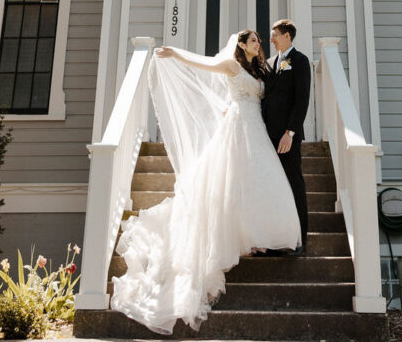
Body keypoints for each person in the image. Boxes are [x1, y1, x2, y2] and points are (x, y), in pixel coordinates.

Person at [110, 29, 300, 335]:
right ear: (241, 44)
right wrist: (175, 54)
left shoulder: (259, 69)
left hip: (256, 130)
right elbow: (202, 65)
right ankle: (233, 235)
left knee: (257, 180)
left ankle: (256, 235)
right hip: (238, 127)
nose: (259, 44)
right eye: (253, 41)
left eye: (259, 42)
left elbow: (268, 93)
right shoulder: (232, 66)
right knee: (232, 181)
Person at [262, 18, 311, 252]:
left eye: (275, 35)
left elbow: (302, 100)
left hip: (286, 136)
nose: (271, 39)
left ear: (287, 36)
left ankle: (300, 238)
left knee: (294, 183)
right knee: (272, 187)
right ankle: (276, 239)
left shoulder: (300, 61)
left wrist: (289, 132)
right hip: (266, 136)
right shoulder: (271, 62)